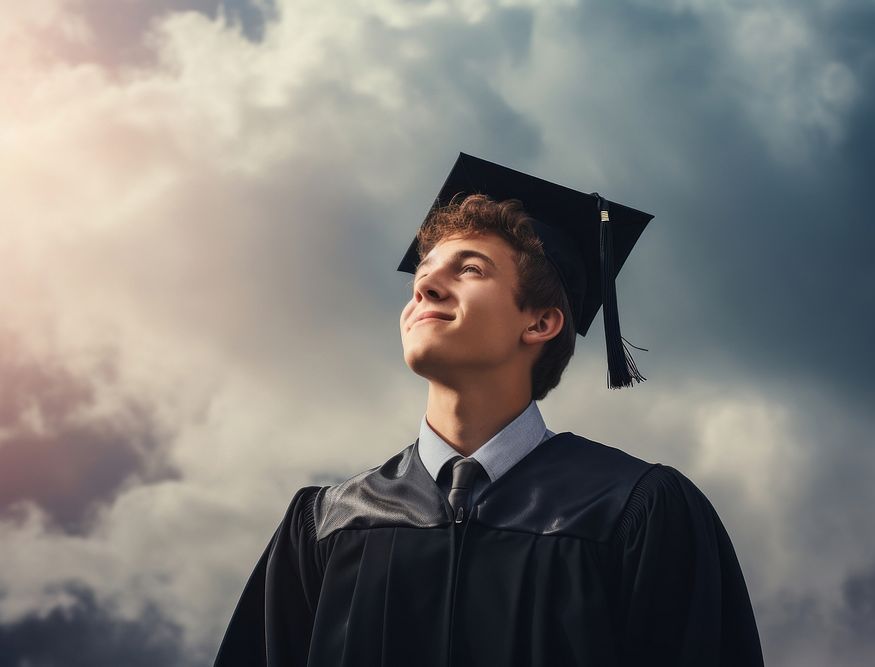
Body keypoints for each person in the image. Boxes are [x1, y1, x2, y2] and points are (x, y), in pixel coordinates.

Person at [214, 153, 764, 666]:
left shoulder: (634, 511)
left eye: (470, 268)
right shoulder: (327, 525)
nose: (425, 284)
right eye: (424, 271)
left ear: (541, 322)